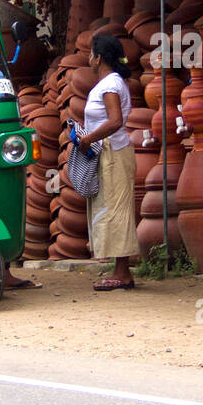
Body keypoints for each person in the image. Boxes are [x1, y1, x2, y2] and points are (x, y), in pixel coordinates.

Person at [78, 34, 138, 290]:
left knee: (117, 210)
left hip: (114, 152)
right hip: (108, 152)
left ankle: (123, 272)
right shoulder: (108, 83)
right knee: (112, 208)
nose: (89, 58)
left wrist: (88, 138)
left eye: (91, 53)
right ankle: (119, 269)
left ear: (99, 57)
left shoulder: (110, 85)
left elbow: (114, 121)